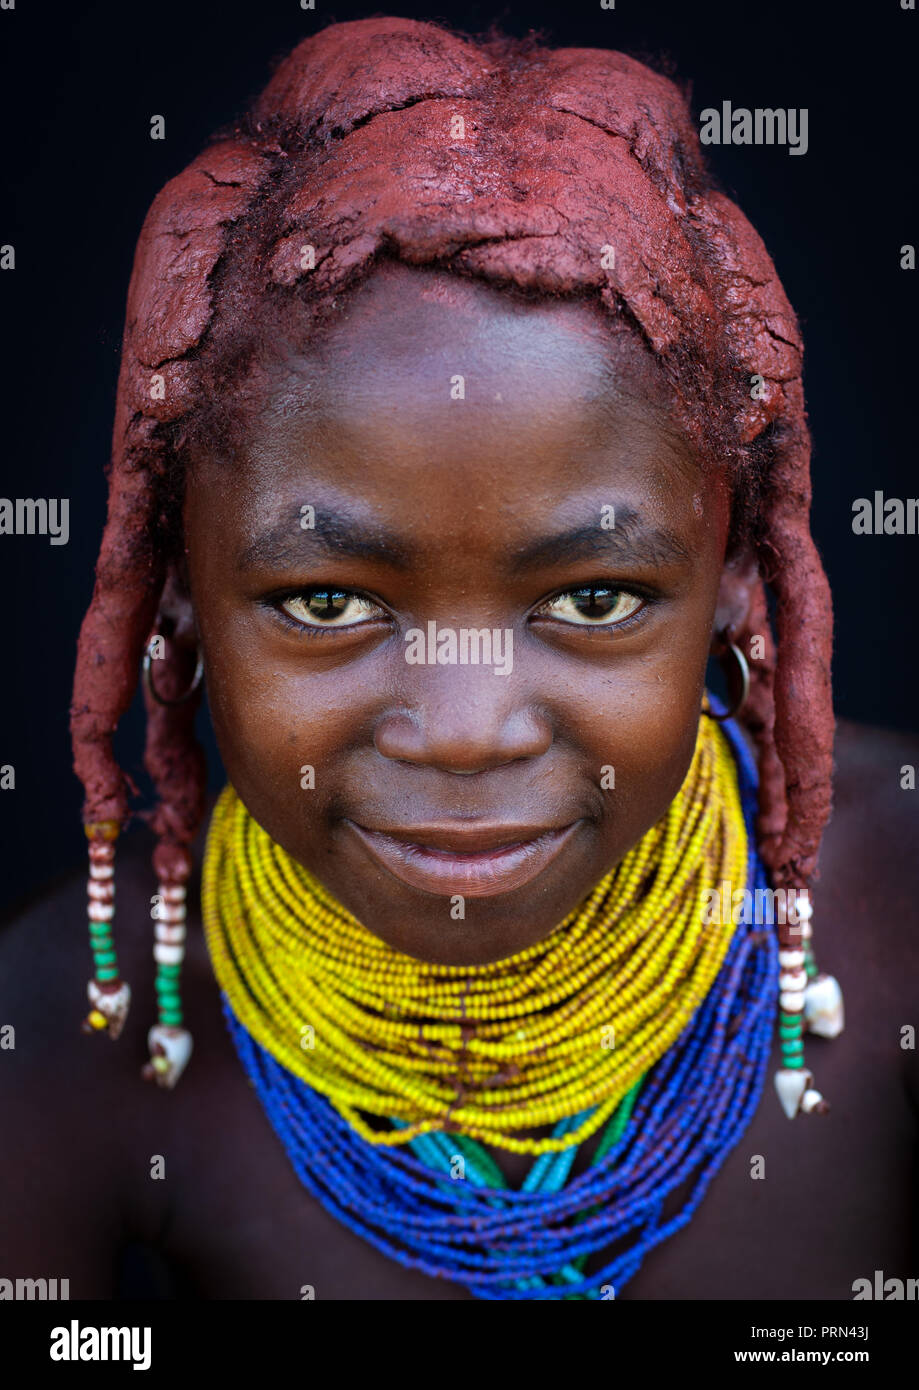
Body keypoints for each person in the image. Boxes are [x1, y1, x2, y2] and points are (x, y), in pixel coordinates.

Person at [2, 16, 916, 1300]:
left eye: (595, 596)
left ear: (734, 584)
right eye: (325, 602)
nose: (469, 727)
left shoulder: (900, 914)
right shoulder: (71, 1033)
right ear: (180, 601)